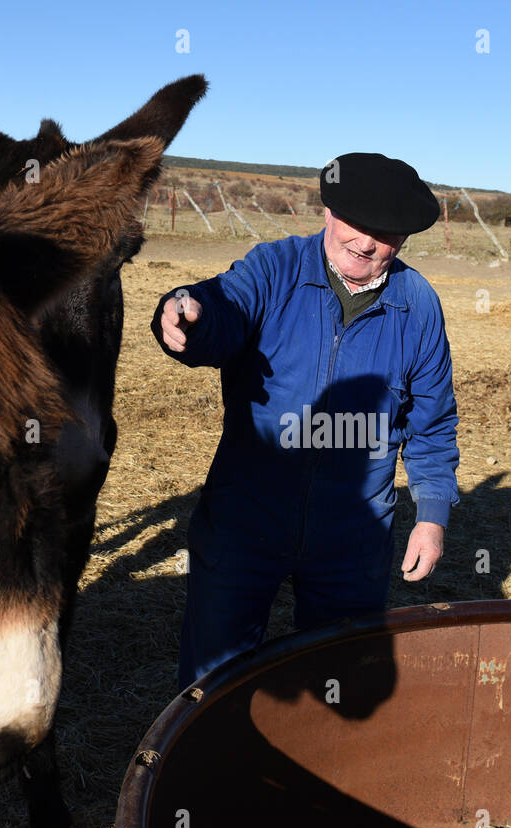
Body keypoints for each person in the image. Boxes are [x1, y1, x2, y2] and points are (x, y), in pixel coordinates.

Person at [152, 152, 459, 688]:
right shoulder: (276, 269)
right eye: (358, 224)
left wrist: (431, 516)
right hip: (246, 515)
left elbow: (432, 424)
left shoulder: (419, 306)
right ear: (327, 212)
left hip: (354, 534)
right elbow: (225, 306)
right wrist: (188, 312)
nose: (367, 242)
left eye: (386, 234)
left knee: (338, 680)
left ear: (405, 239)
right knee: (212, 681)